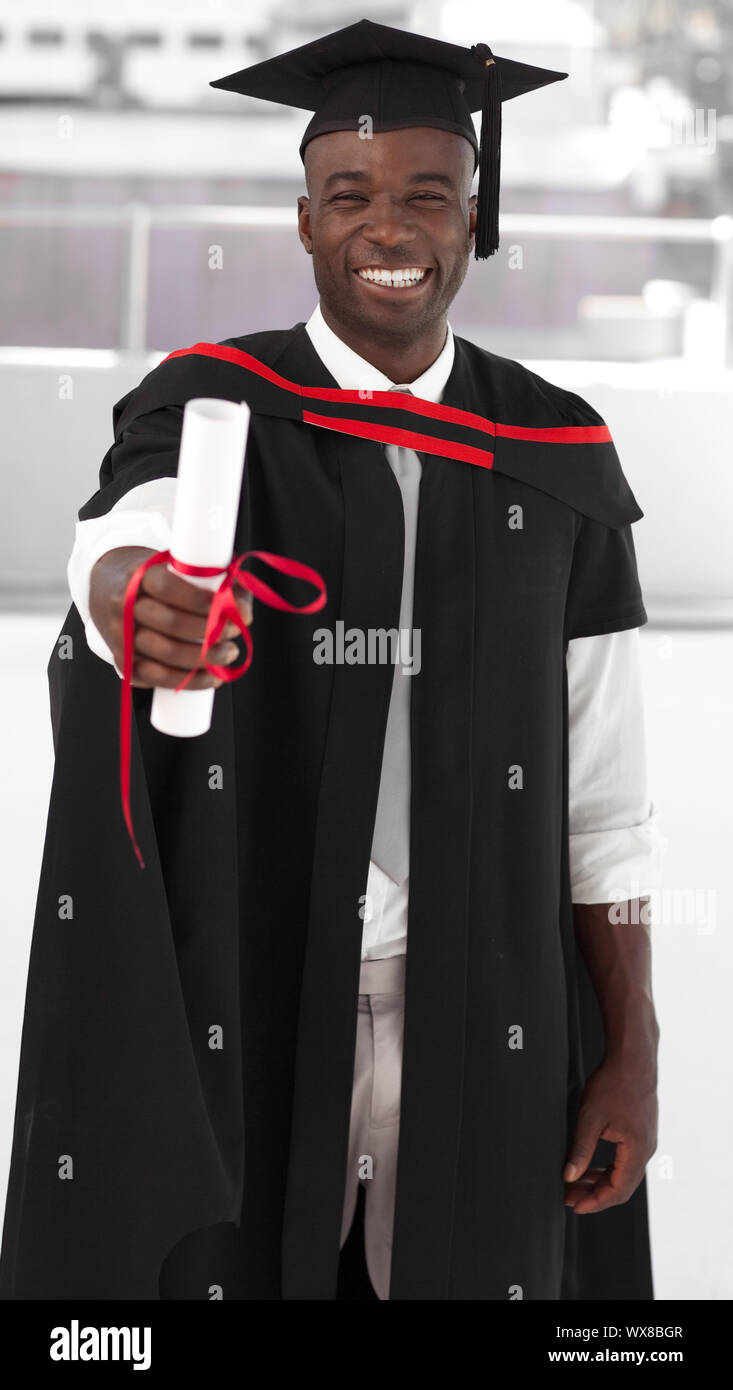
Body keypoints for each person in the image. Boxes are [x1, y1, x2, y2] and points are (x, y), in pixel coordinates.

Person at [0, 20, 662, 1301]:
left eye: (428, 193)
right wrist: (129, 588)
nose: (387, 226)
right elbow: (123, 526)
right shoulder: (213, 402)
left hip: (485, 1002)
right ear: (303, 221)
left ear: (477, 218)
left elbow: (608, 805)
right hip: (254, 988)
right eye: (348, 195)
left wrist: (630, 1044)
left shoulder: (557, 452)